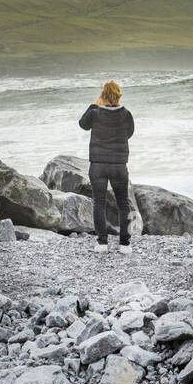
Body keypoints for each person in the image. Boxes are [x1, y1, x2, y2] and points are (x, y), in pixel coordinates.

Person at [78, 80, 135, 254]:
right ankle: (124, 245)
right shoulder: (126, 114)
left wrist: (94, 104)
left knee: (99, 204)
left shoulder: (94, 113)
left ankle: (102, 243)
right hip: (119, 165)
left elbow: (82, 124)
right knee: (123, 204)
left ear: (102, 96)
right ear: (119, 95)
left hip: (98, 165)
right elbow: (130, 133)